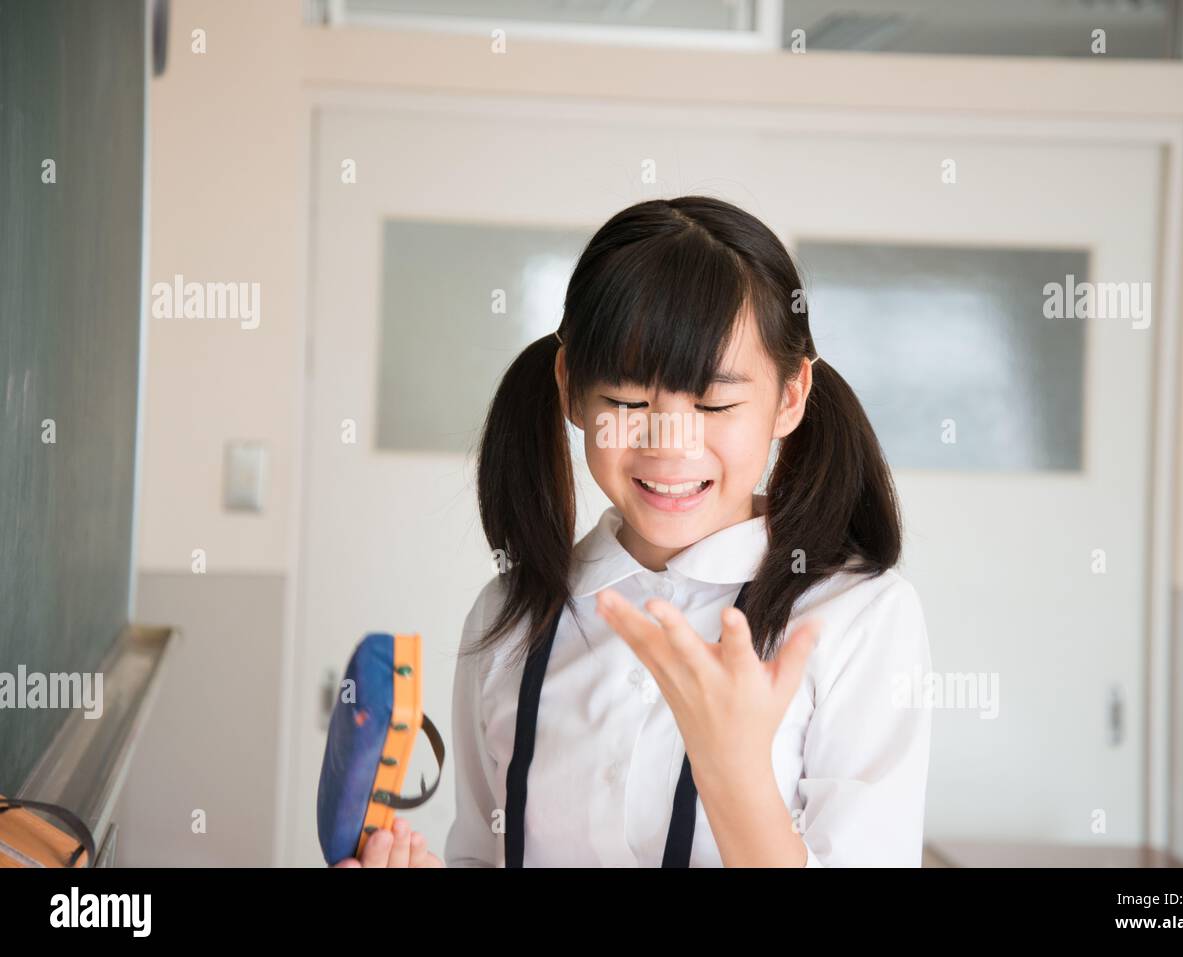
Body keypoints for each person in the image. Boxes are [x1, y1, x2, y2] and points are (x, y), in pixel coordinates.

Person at [335, 195, 932, 868]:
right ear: (571, 388)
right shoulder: (508, 616)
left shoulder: (856, 616)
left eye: (714, 403)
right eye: (627, 400)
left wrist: (734, 772)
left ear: (789, 396)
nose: (669, 442)